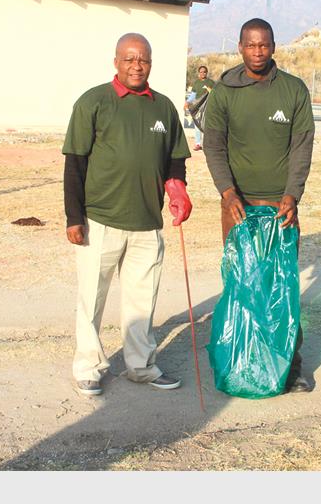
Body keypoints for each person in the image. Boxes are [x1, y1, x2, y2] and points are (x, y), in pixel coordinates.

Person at [62, 32, 193, 397]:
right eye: (130, 59)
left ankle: (141, 366)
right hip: (100, 220)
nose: (137, 65)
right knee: (92, 297)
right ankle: (88, 367)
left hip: (147, 222)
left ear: (151, 63)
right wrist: (74, 217)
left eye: (144, 59)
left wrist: (177, 188)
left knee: (141, 300)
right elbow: (75, 163)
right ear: (116, 62)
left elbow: (175, 159)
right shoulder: (93, 102)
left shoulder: (164, 107)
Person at [202, 17, 315, 394]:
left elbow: (301, 147)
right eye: (251, 45)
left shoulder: (294, 90)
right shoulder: (225, 90)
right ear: (240, 47)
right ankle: (239, 361)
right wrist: (227, 192)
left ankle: (290, 367)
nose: (257, 51)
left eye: (264, 45)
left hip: (282, 207)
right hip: (238, 205)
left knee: (282, 286)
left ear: (273, 47)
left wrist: (292, 195)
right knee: (241, 283)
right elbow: (214, 146)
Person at [185, 65, 215, 151]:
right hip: (198, 108)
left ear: (206, 73)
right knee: (197, 125)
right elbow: (193, 96)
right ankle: (198, 144)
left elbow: (215, 94)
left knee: (207, 125)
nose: (202, 73)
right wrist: (187, 102)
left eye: (204, 72)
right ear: (199, 73)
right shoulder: (196, 83)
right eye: (201, 72)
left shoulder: (211, 82)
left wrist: (210, 90)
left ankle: (207, 144)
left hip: (208, 107)